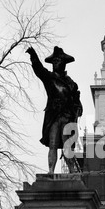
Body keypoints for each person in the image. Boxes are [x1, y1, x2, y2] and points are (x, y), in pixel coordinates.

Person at [26, 46, 83, 174]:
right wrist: (33, 56)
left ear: (64, 64)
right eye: (54, 61)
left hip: (67, 117)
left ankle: (72, 170)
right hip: (54, 117)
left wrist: (78, 108)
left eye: (58, 61)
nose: (56, 64)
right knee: (53, 143)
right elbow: (39, 70)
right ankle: (51, 170)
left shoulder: (71, 84)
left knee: (67, 144)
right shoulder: (49, 78)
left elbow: (77, 102)